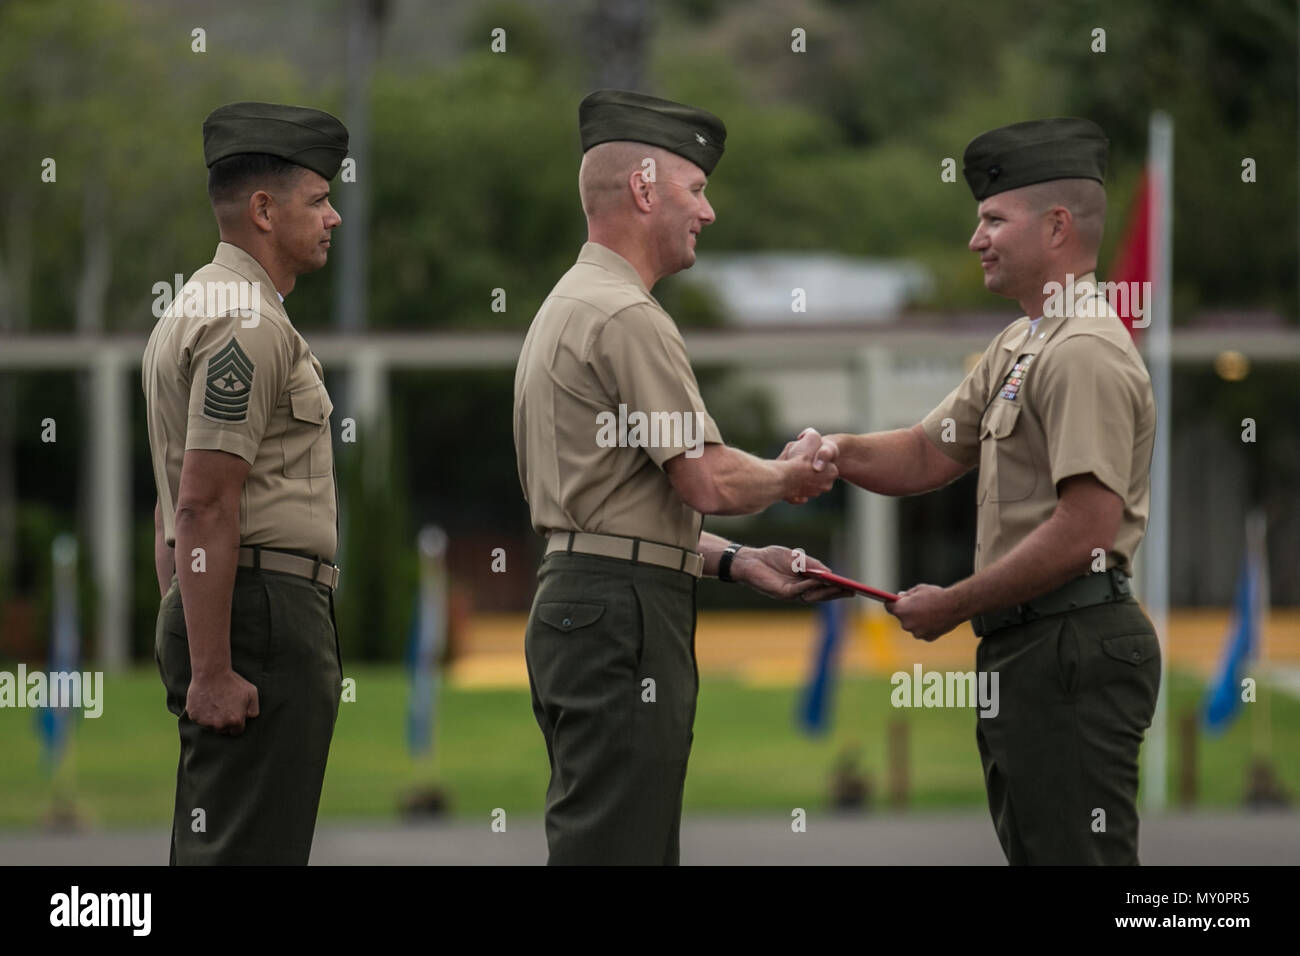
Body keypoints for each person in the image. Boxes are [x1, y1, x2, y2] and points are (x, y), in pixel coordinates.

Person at [792, 118, 1160, 864]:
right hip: (1035, 646)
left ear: (1056, 227)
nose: (975, 239)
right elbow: (928, 451)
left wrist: (955, 603)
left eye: (994, 219)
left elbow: (1087, 528)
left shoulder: (1082, 350)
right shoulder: (1024, 341)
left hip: (1068, 642)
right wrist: (836, 451)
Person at [514, 89, 849, 865]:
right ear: (643, 189)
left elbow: (614, 514)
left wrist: (738, 561)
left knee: (609, 840)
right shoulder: (627, 316)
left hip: (582, 598)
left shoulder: (565, 306)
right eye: (695, 189)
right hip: (622, 615)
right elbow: (707, 480)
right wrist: (791, 475)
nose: (708, 211)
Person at [142, 101, 349, 865]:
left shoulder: (199, 304)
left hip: (234, 609)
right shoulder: (245, 322)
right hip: (259, 615)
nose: (333, 217)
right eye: (318, 200)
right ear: (263, 210)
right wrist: (211, 667)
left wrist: (186, 623)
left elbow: (172, 510)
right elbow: (202, 503)